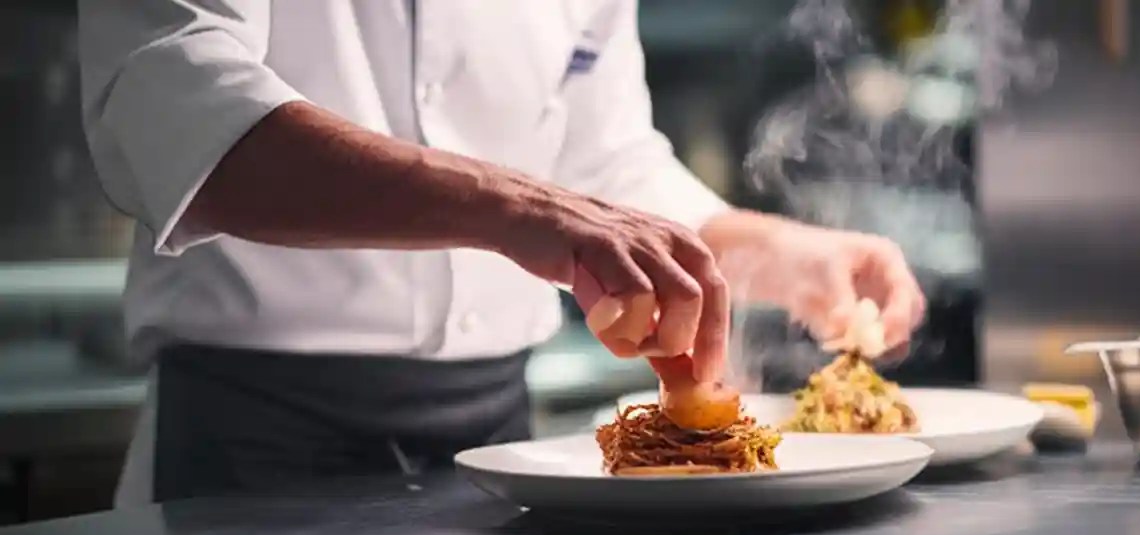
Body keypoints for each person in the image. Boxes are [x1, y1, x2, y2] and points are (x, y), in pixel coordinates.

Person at [79, 0, 925, 505]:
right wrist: (519, 208)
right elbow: (172, 102)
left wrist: (777, 252)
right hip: (251, 442)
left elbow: (605, 161)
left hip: (495, 451)